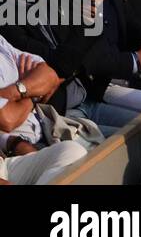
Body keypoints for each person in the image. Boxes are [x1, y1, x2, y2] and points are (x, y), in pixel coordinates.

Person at [0, 0, 138, 132]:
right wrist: (89, 8)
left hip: (91, 94)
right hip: (56, 116)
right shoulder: (5, 21)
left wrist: (57, 72)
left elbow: (90, 50)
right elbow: (55, 60)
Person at [0, 31, 88, 184]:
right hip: (26, 141)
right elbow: (8, 118)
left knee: (74, 152)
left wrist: (18, 91)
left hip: (40, 133)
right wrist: (31, 91)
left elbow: (50, 76)